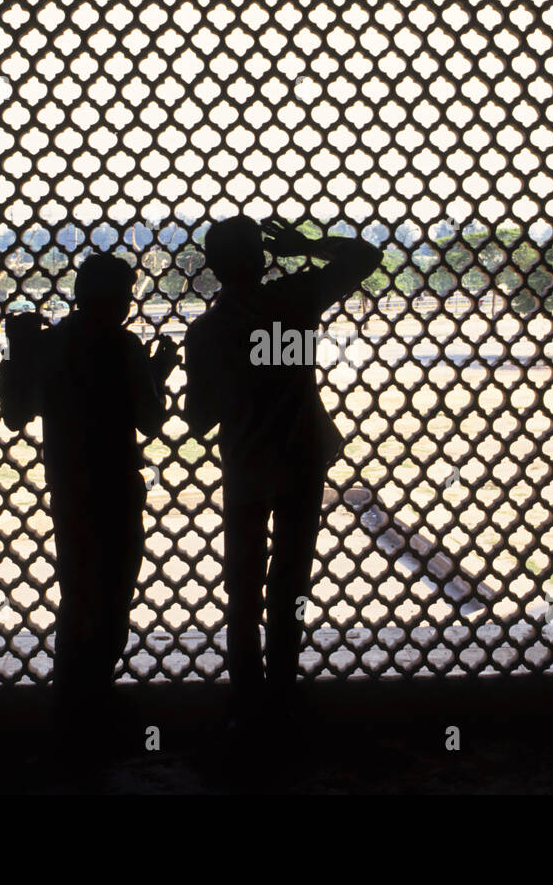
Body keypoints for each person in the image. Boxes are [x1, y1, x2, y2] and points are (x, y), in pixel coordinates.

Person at [183, 216, 381, 731]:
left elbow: (200, 419)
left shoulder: (206, 331)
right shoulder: (293, 300)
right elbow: (365, 257)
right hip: (301, 455)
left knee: (243, 586)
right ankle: (283, 695)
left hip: (246, 465)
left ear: (213, 266)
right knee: (291, 579)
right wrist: (307, 247)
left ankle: (248, 702)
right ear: (263, 257)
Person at [36, 253, 178, 744]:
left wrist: (16, 350)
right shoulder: (124, 346)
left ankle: (71, 707)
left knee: (78, 595)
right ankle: (93, 701)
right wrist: (158, 371)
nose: (127, 302)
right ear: (113, 297)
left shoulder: (51, 345)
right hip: (116, 485)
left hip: (70, 487)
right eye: (125, 293)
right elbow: (150, 422)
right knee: (114, 594)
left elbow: (15, 413)